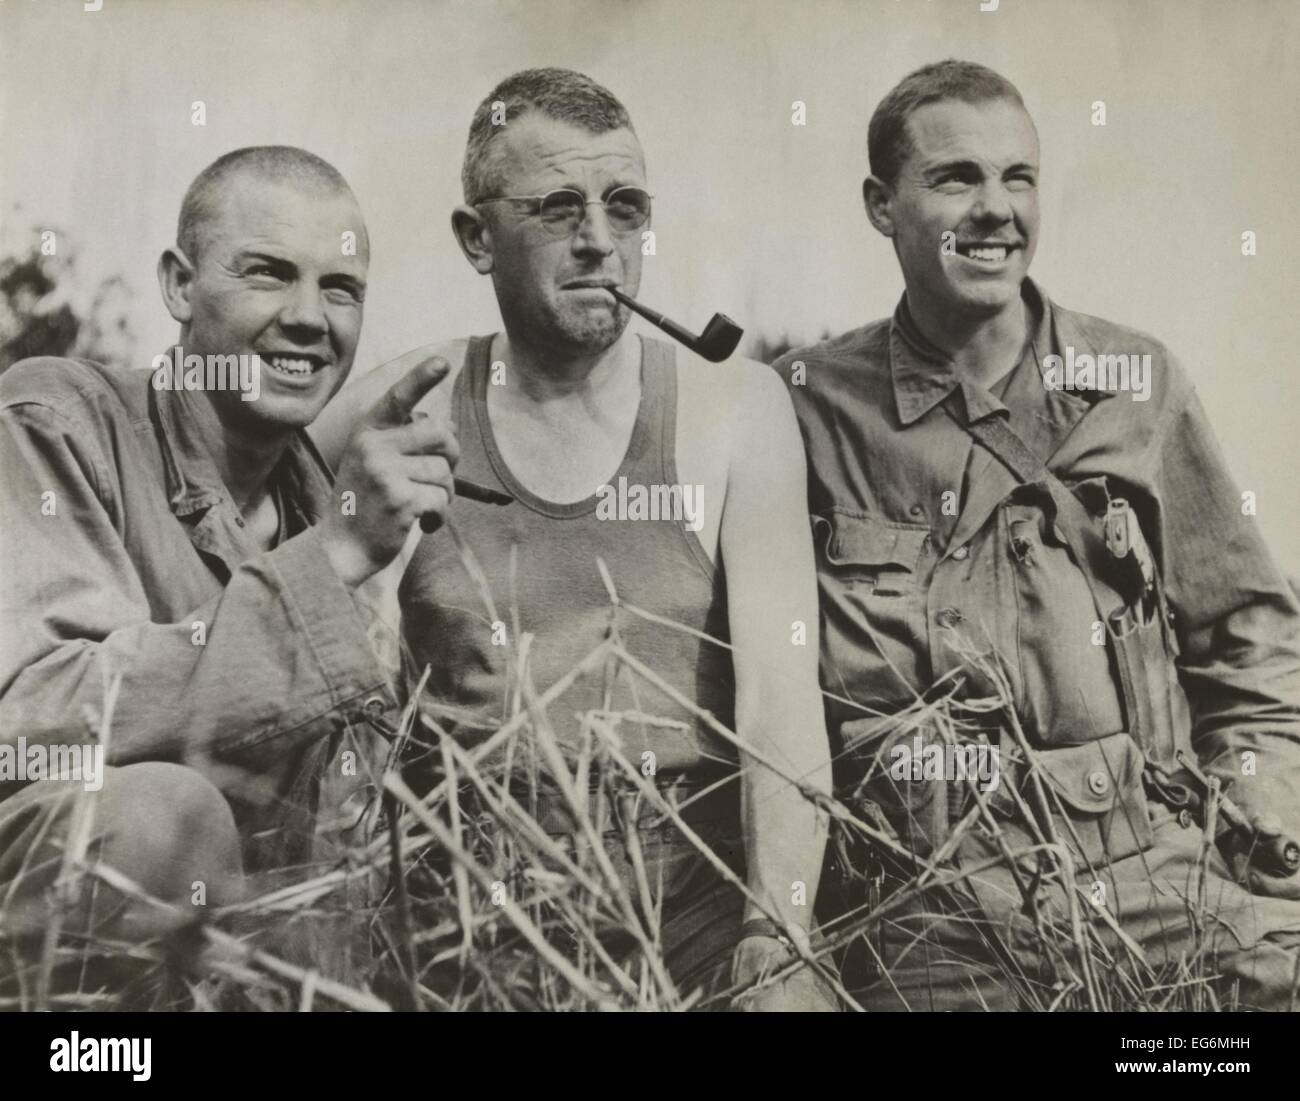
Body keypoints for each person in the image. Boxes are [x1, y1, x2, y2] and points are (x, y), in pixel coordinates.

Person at [773, 59, 1300, 1010]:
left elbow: (1249, 637)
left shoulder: (1136, 381)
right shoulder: (809, 409)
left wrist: (1259, 805)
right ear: (881, 205)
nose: (995, 209)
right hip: (928, 908)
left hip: (1152, 875)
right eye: (955, 178)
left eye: (1018, 177)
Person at [311, 68, 835, 1009]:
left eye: (625, 207)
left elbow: (779, 708)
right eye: (559, 209)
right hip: (462, 932)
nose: (600, 239)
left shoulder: (736, 410)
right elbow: (294, 643)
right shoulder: (400, 407)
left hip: (691, 931)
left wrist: (779, 931)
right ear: (477, 238)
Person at [0, 146, 459, 1001]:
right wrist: (333, 561)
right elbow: (33, 711)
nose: (309, 318)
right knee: (162, 820)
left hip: (216, 961)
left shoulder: (325, 504)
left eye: (341, 288)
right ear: (180, 285)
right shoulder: (53, 419)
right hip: (47, 932)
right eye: (268, 273)